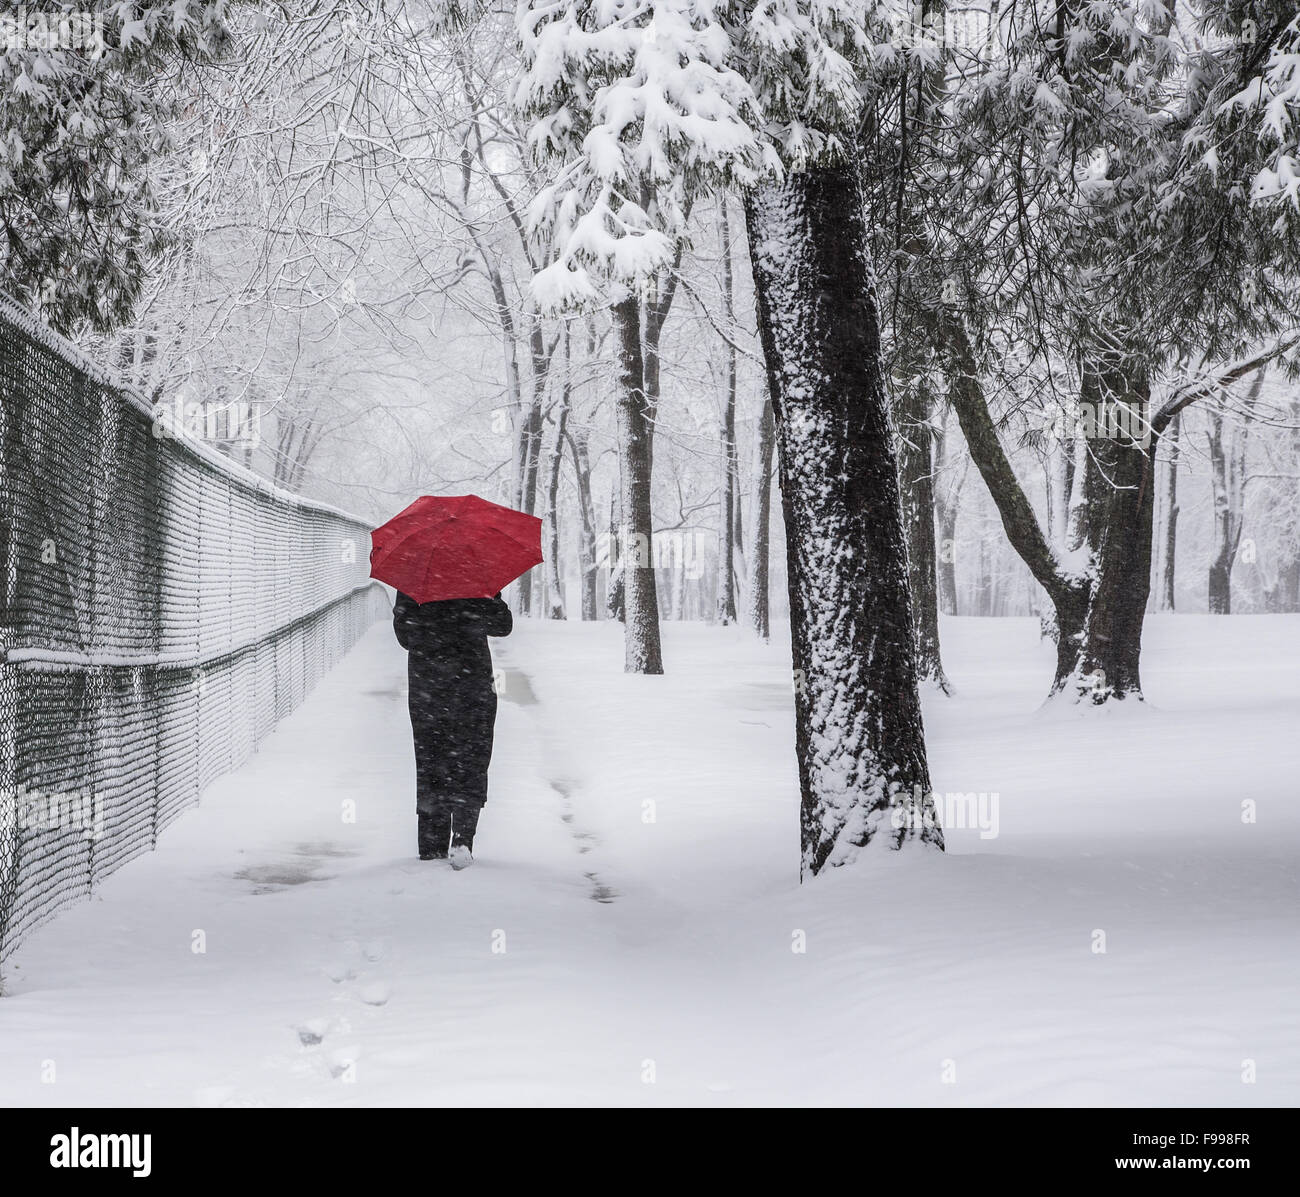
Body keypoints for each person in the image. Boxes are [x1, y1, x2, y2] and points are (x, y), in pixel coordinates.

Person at [393, 590, 513, 867]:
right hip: (472, 682)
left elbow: (404, 635)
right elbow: (503, 624)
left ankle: (431, 846)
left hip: (428, 684)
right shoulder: (478, 577)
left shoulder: (415, 580)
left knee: (431, 759)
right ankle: (462, 837)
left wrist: (432, 623)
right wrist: (472, 610)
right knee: (471, 757)